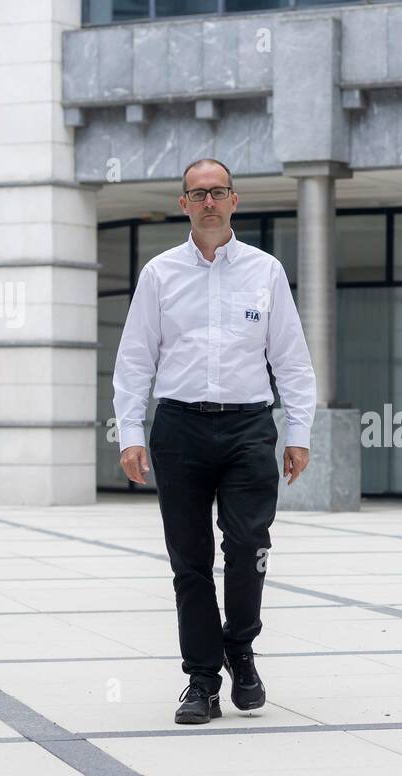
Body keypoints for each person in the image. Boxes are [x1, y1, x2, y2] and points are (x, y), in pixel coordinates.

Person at [112, 157, 316, 724]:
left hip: (250, 426)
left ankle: (241, 648)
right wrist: (131, 431)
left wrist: (297, 431)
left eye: (217, 192)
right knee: (190, 559)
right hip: (179, 427)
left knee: (248, 546)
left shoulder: (265, 270)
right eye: (197, 194)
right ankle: (202, 680)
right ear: (183, 204)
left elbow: (292, 361)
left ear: (234, 200)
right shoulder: (159, 274)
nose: (208, 202)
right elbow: (134, 361)